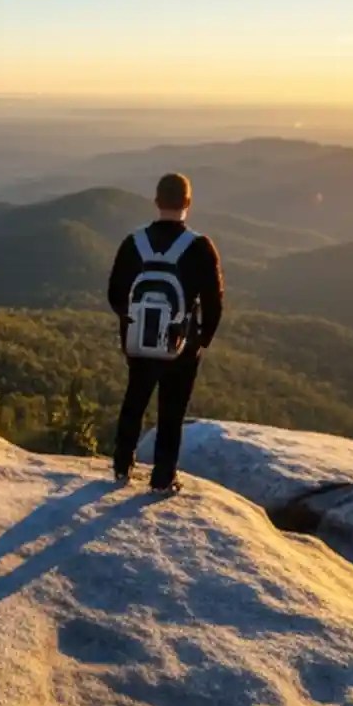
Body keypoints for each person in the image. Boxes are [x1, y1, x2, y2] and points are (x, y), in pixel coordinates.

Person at [107, 173, 224, 492]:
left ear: (157, 201)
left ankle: (121, 463)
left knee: (135, 398)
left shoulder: (134, 243)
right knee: (172, 409)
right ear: (187, 203)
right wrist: (202, 339)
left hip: (139, 340)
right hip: (180, 343)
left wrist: (133, 324)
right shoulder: (200, 247)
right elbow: (214, 300)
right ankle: (163, 475)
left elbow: (115, 294)